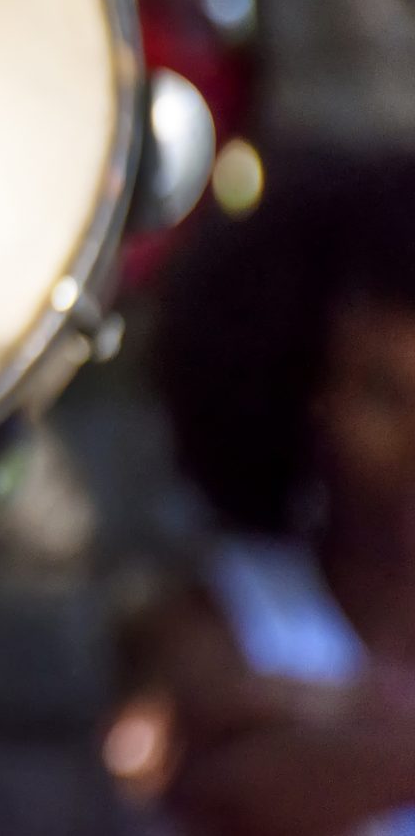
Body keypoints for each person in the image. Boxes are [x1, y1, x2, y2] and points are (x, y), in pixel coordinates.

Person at [112, 151, 415, 836]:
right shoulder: (214, 619)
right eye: (383, 394)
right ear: (303, 397)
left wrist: (330, 709)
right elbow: (226, 786)